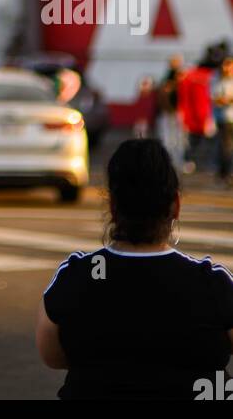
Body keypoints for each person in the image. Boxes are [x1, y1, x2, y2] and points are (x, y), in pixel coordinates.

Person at [36, 138, 233, 399]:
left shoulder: (74, 277)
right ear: (175, 205)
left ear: (113, 208)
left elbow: (52, 355)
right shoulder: (213, 284)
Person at [179, 60, 214, 173]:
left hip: (193, 117)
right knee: (205, 142)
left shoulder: (188, 77)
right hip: (206, 116)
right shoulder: (210, 77)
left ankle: (191, 162)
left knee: (193, 141)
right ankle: (202, 163)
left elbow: (184, 98)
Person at [155, 55, 185, 171]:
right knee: (167, 138)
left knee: (179, 138)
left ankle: (178, 161)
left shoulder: (182, 76)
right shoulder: (167, 76)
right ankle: (168, 160)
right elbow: (162, 93)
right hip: (168, 111)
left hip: (178, 111)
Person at [212, 56, 233, 185]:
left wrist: (226, 100)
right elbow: (216, 99)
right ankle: (225, 173)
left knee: (227, 147)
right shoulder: (217, 80)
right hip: (224, 119)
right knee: (225, 147)